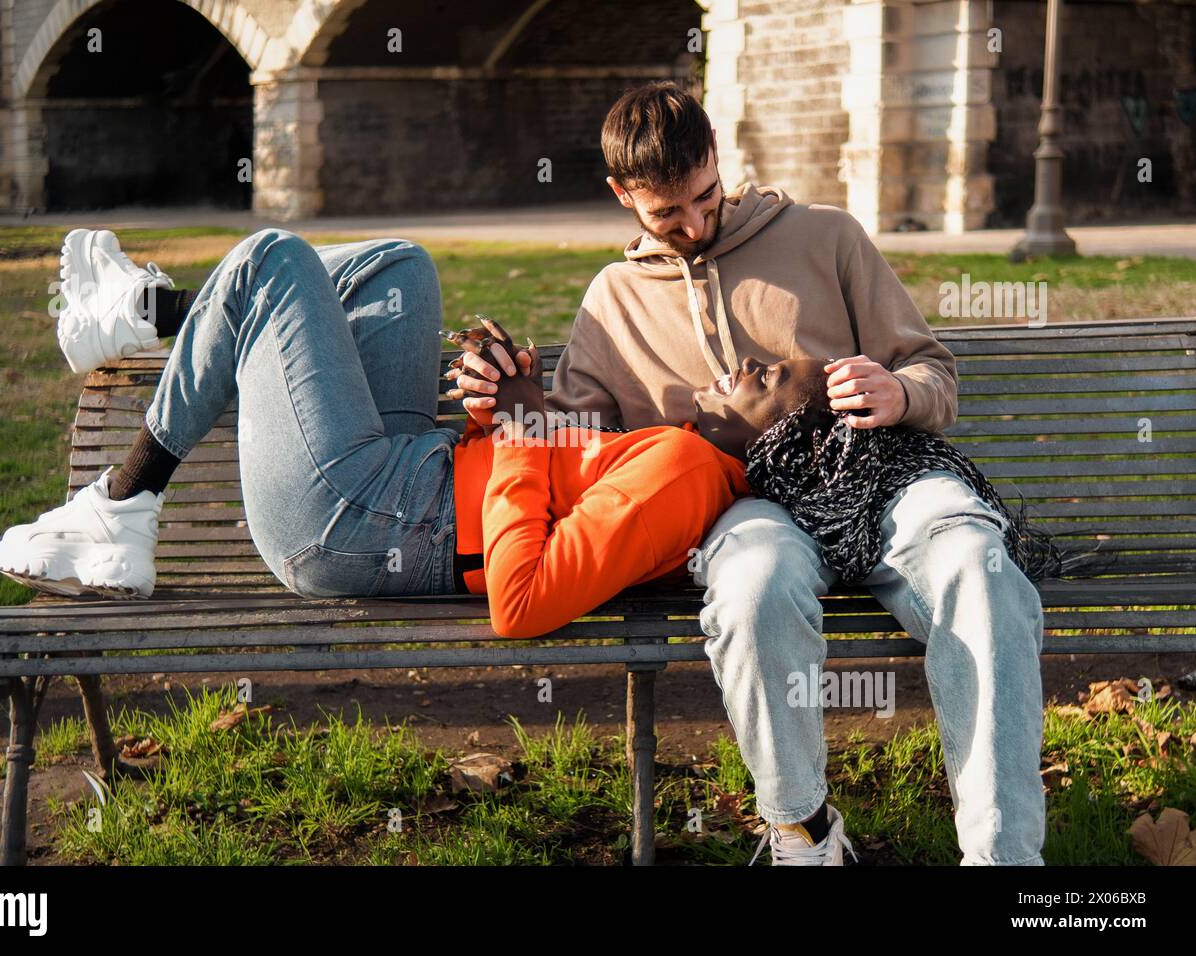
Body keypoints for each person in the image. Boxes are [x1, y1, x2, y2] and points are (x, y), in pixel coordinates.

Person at [448, 82, 1050, 866]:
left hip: (883, 474)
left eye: (705, 196)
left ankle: (1005, 860)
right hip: (744, 508)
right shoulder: (613, 301)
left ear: (717, 161)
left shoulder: (827, 237)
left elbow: (933, 372)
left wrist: (900, 391)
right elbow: (584, 449)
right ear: (621, 196)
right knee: (751, 588)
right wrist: (504, 396)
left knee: (979, 564)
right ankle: (804, 834)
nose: (694, 225)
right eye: (668, 214)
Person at [0, 227, 771, 639]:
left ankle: (124, 498)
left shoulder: (683, 471)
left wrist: (525, 430)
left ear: (772, 442)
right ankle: (153, 316)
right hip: (404, 475)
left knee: (273, 258)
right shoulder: (683, 456)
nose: (746, 367)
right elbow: (542, 482)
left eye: (768, 381)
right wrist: (501, 403)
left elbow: (522, 601)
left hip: (356, 521)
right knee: (399, 268)